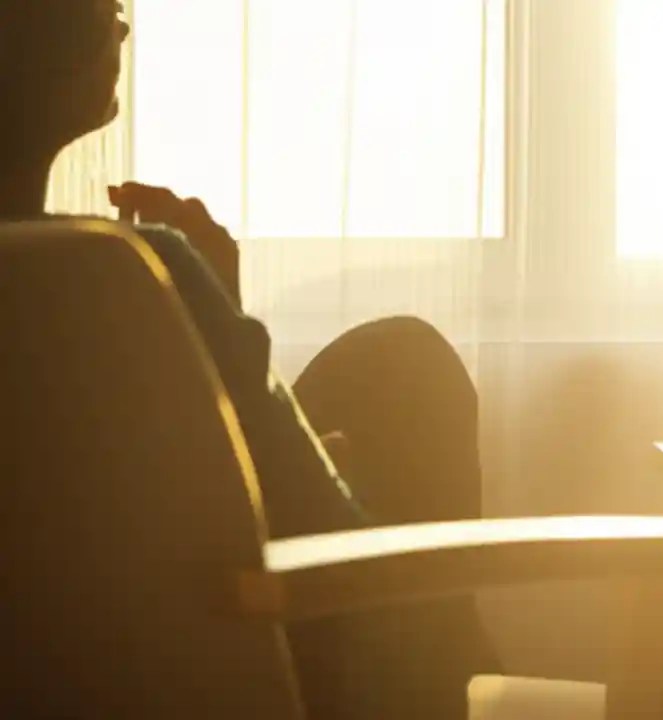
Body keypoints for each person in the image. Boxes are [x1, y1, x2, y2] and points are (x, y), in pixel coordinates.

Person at [0, 1, 498, 717]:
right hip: (218, 669)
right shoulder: (137, 274)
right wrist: (214, 315)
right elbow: (327, 540)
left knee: (387, 359)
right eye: (106, 5)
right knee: (414, 376)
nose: (122, 24)